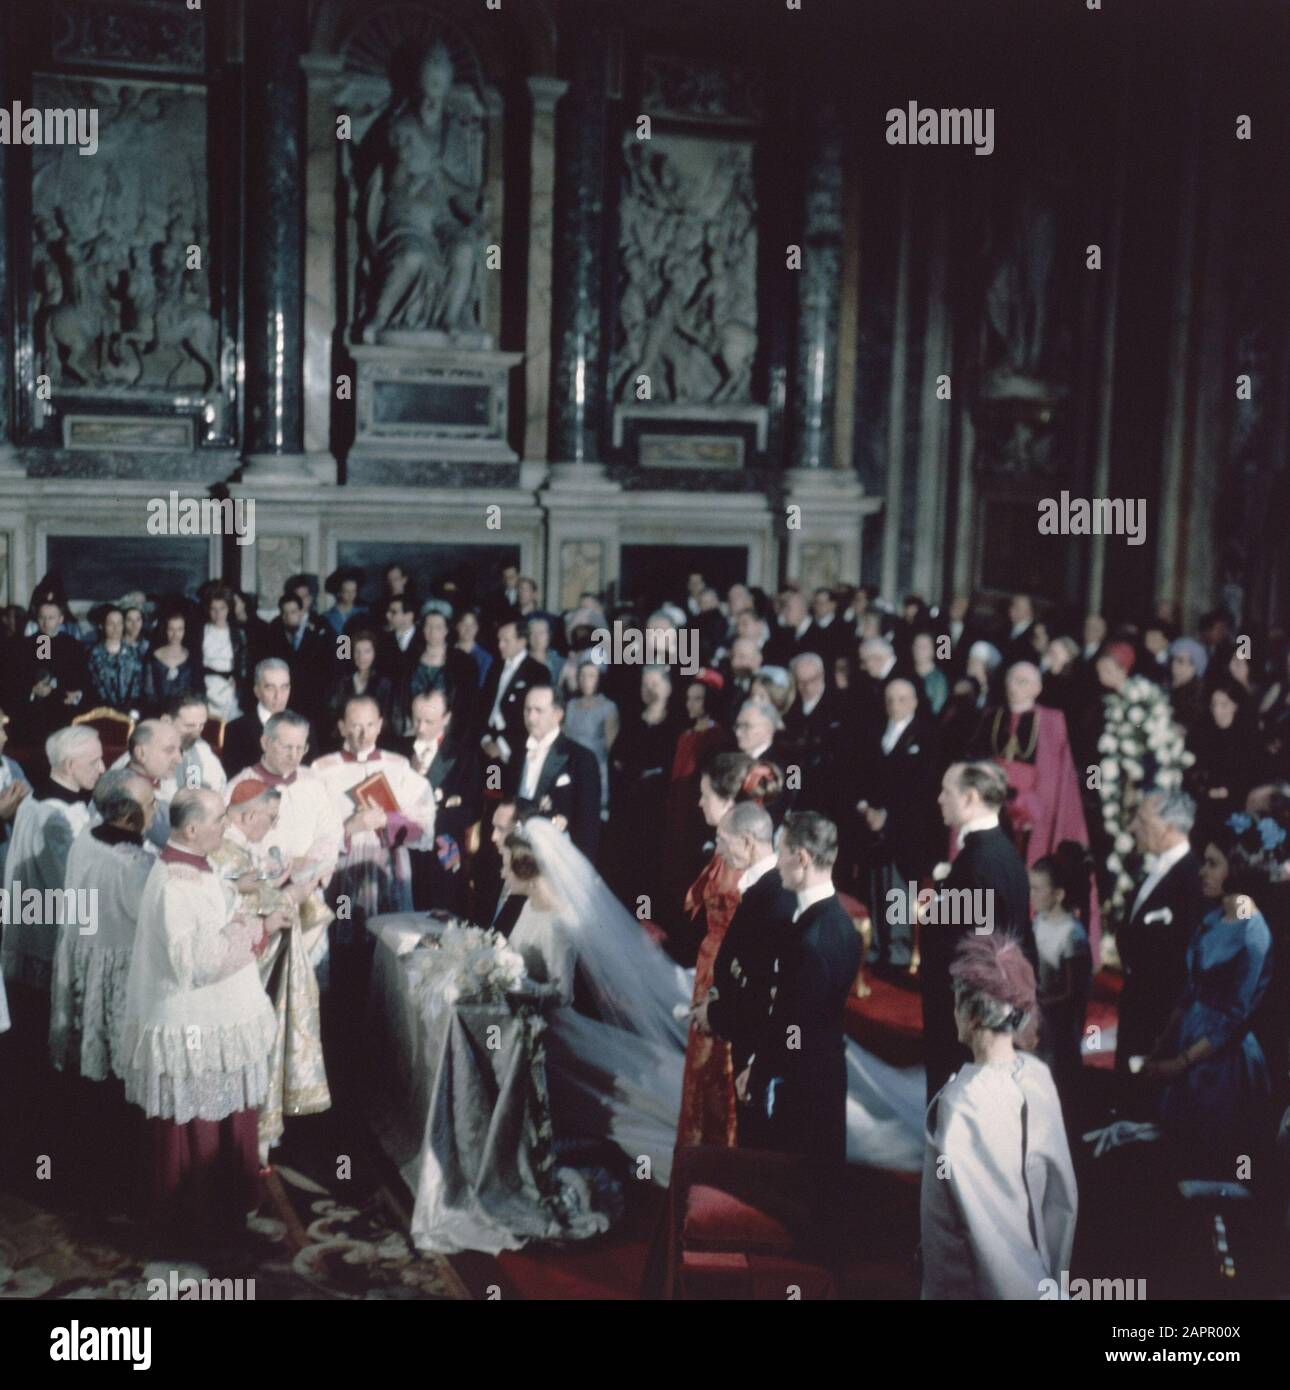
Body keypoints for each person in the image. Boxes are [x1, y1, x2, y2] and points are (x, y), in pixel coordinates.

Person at [119, 788, 288, 1242]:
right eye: (218, 819)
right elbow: (197, 964)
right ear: (191, 829)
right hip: (194, 1020)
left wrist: (237, 898)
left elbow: (208, 909)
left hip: (212, 1017)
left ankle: (223, 1207)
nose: (226, 825)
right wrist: (258, 928)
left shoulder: (190, 863)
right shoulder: (176, 883)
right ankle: (200, 1219)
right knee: (199, 1121)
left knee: (220, 1109)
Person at [919, 933, 1077, 1300]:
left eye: (958, 1001)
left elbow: (996, 1246)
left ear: (972, 1014)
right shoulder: (1038, 1078)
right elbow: (1061, 1204)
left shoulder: (962, 1105)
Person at [741, 811, 860, 1249]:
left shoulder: (810, 939)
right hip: (826, 1072)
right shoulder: (841, 923)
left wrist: (758, 1073)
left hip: (802, 1086)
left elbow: (791, 1022)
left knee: (798, 1211)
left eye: (783, 854)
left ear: (803, 858)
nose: (776, 864)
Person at [1142, 811, 1278, 1178]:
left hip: (1222, 1060)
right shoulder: (1214, 918)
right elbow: (1189, 991)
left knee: (1210, 1160)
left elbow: (1236, 1018)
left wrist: (1180, 1062)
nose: (1203, 871)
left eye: (1213, 864)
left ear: (1238, 867)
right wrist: (1162, 1044)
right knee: (1174, 1159)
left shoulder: (1254, 933)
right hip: (1190, 1035)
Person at [210, 780, 331, 1167]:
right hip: (237, 988)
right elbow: (243, 920)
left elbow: (251, 894)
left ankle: (247, 1150)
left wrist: (278, 884)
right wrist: (294, 896)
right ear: (247, 816)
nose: (273, 827)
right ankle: (244, 1157)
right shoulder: (228, 854)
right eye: (271, 819)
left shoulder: (232, 848)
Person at [677, 752, 779, 1146]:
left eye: (705, 795)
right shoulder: (725, 851)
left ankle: (719, 1148)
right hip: (710, 962)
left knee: (720, 1062)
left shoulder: (738, 860)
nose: (700, 802)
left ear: (726, 800)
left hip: (726, 968)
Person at [969, 661, 1100, 960]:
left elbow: (1055, 773)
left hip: (1032, 811)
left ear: (1038, 687)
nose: (1016, 687)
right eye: (1013, 679)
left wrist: (1032, 808)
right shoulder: (991, 715)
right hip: (996, 806)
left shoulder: (1052, 720)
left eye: (1025, 681)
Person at [312, 695, 436, 1011]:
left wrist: (389, 820)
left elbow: (423, 823)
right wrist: (349, 826)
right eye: (354, 726)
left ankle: (384, 1020)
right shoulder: (322, 769)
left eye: (369, 725)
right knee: (344, 945)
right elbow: (311, 830)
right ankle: (343, 1016)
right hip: (343, 871)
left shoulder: (397, 765)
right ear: (341, 727)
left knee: (387, 946)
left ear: (380, 725)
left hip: (387, 867)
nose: (362, 734)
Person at [923, 761, 1034, 1101]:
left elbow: (979, 946)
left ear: (969, 798)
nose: (939, 799)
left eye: (947, 791)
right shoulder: (995, 852)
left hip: (969, 1019)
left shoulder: (980, 861)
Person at [49, 770, 157, 1078]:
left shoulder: (87, 834)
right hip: (118, 966)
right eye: (150, 804)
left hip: (87, 950)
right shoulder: (134, 865)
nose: (155, 809)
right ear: (125, 815)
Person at [700, 801, 795, 1146]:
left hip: (759, 1048)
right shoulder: (761, 888)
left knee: (758, 1140)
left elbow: (762, 988)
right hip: (747, 1036)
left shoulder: (775, 896)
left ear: (747, 841)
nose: (719, 849)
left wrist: (715, 1014)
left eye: (724, 841)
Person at [226, 710, 341, 975]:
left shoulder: (314, 783)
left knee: (306, 981)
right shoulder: (240, 787)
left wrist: (309, 870)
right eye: (286, 746)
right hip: (260, 901)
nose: (294, 755)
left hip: (307, 892)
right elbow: (230, 850)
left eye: (300, 748)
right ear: (265, 743)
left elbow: (330, 833)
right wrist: (283, 868)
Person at [1, 725, 104, 998]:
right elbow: (69, 883)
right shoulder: (53, 816)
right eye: (94, 762)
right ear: (70, 765)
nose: (103, 768)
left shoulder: (41, 801)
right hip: (49, 931)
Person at [1114, 787, 1206, 1080]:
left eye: (1141, 820)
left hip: (1161, 1021)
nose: (1132, 828)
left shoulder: (1192, 879)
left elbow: (1187, 960)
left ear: (1168, 827)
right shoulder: (1152, 871)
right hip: (1135, 1012)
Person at [855, 678, 943, 970]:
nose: (896, 705)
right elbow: (861, 775)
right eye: (891, 699)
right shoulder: (874, 732)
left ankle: (898, 951)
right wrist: (866, 808)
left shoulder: (928, 737)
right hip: (872, 829)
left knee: (899, 889)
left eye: (903, 699)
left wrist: (888, 816)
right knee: (874, 888)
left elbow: (924, 787)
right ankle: (877, 945)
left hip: (908, 830)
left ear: (915, 701)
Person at [1028, 844, 1093, 1111]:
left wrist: (1037, 1004)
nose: (1032, 895)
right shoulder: (1038, 922)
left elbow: (1072, 991)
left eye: (1038, 889)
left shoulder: (1072, 934)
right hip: (1037, 1018)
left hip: (1058, 1026)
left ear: (1059, 894)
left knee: (1055, 1088)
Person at [407, 689, 481, 916]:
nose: (420, 728)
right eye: (416, 719)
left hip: (441, 856)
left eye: (429, 722)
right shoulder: (398, 749)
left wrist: (427, 816)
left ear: (446, 719)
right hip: (401, 856)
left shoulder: (464, 756)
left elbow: (471, 810)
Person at [610, 666, 678, 897]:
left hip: (656, 810)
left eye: (655, 684)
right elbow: (618, 760)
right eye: (645, 684)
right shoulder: (632, 720)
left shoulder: (675, 725)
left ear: (668, 688)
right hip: (627, 805)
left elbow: (668, 767)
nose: (649, 690)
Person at [512, 685, 601, 861]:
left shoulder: (581, 758)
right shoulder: (516, 753)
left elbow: (588, 825)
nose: (531, 717)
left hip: (556, 857)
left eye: (538, 710)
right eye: (527, 709)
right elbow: (499, 791)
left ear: (558, 715)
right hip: (516, 852)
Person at [479, 619, 551, 780]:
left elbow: (534, 716)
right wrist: (485, 738)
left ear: (522, 641)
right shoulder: (495, 667)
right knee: (491, 793)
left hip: (516, 750)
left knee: (511, 799)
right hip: (489, 747)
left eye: (506, 641)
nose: (500, 645)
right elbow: (483, 706)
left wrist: (503, 745)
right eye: (499, 640)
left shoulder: (538, 672)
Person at [18, 598, 87, 740]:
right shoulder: (25, 645)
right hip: (37, 713)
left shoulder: (73, 645)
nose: (46, 622)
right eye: (42, 617)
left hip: (67, 710)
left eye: (51, 618)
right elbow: (18, 679)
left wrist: (76, 694)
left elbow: (83, 678)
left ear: (60, 619)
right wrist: (32, 690)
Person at [564, 659, 618, 822]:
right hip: (571, 765)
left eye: (591, 676)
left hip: (595, 768)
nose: (586, 680)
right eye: (582, 676)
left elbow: (611, 746)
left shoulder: (608, 707)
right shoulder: (571, 705)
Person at [222, 659, 296, 776]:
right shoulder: (236, 730)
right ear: (257, 691)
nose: (278, 696)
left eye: (284, 687)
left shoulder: (305, 727)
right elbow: (234, 784)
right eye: (270, 688)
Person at [117, 719, 182, 851]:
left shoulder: (149, 777)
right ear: (141, 753)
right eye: (169, 750)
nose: (179, 759)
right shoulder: (135, 797)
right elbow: (183, 842)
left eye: (179, 750)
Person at [196, 585, 249, 722]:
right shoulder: (201, 631)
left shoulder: (237, 633)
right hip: (206, 686)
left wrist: (238, 681)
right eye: (213, 609)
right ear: (208, 609)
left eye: (222, 608)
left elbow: (242, 662)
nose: (218, 613)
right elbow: (196, 662)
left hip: (229, 686)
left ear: (228, 609)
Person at [87, 605, 143, 712]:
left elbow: (137, 685)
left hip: (130, 711)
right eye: (110, 624)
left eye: (119, 623)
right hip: (102, 711)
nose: (115, 628)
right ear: (101, 625)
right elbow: (94, 687)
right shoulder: (93, 654)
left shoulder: (134, 653)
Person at [169, 692, 226, 794]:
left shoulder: (201, 749)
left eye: (201, 725)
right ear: (166, 721)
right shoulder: (147, 754)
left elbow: (219, 787)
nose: (196, 733)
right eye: (189, 726)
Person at [143, 609, 198, 714]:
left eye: (179, 629)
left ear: (185, 630)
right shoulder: (153, 657)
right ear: (165, 630)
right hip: (158, 713)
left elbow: (195, 690)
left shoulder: (191, 657)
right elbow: (149, 693)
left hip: (186, 713)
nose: (175, 634)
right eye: (171, 629)